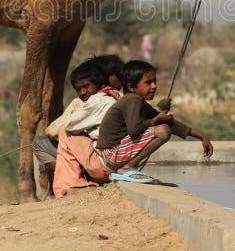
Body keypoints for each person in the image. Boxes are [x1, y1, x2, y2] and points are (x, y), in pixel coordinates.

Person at [96, 60, 213, 183]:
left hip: (114, 154)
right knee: (163, 131)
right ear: (131, 87)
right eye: (148, 82)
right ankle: (127, 167)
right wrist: (156, 120)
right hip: (112, 154)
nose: (154, 86)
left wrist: (201, 136)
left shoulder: (137, 101)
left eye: (154, 81)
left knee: (164, 126)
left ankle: (127, 167)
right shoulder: (133, 99)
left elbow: (172, 124)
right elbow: (134, 129)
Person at [33, 55, 125, 196]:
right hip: (110, 159)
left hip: (101, 161)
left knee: (57, 135)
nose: (83, 92)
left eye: (86, 86)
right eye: (79, 89)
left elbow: (55, 130)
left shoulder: (93, 101)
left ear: (100, 82)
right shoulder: (120, 98)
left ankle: (73, 184)